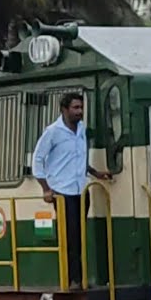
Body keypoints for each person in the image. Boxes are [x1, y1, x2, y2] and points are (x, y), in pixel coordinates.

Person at [31, 93, 111, 289]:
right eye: (75, 108)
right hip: (62, 191)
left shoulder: (81, 129)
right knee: (70, 236)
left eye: (81, 108)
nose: (80, 112)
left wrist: (95, 173)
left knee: (81, 236)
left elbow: (78, 158)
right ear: (64, 110)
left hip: (81, 189)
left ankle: (81, 278)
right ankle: (71, 279)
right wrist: (46, 189)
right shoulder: (53, 132)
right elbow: (37, 159)